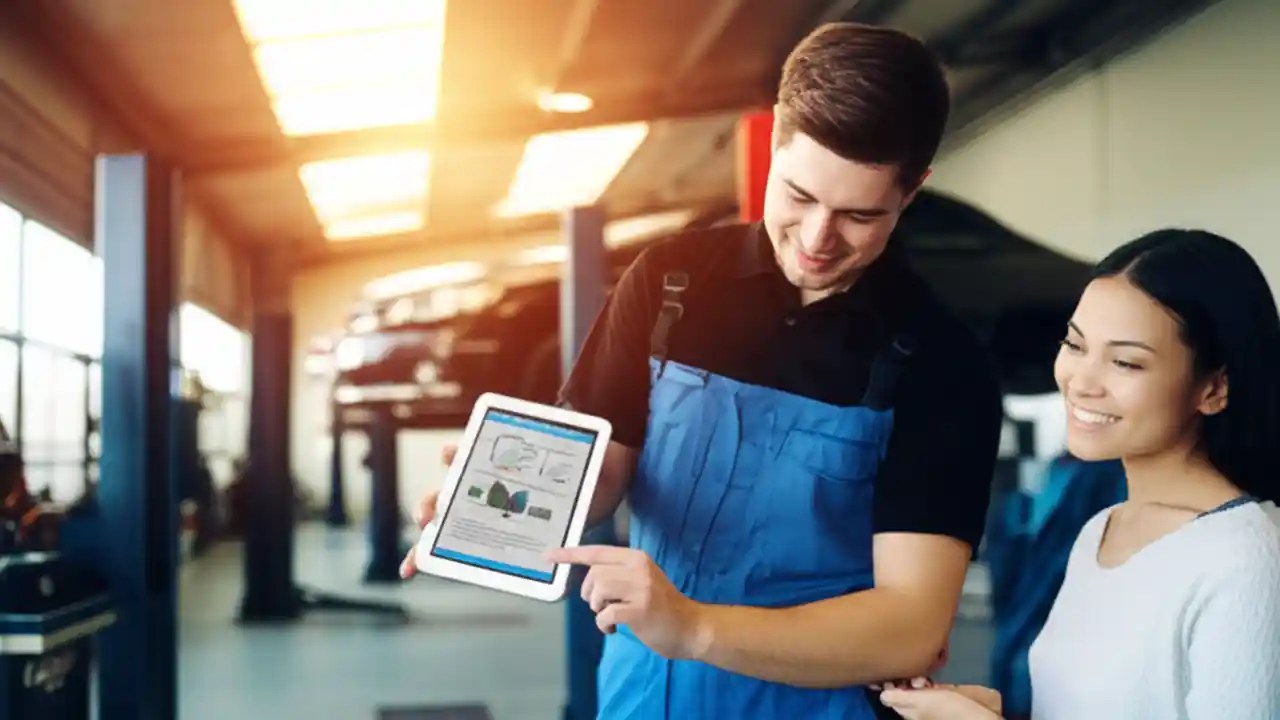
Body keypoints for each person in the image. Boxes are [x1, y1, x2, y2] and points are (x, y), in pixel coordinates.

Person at [402, 22, 1005, 719]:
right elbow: (603, 467)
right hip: (642, 695)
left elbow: (910, 625)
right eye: (800, 197)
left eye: (859, 216)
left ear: (913, 190)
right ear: (776, 136)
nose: (817, 240)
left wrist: (694, 627)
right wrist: (496, 501)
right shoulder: (668, 283)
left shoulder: (941, 362)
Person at [879, 229, 1280, 720]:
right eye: (1075, 344)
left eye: (1126, 362)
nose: (1082, 381)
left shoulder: (1247, 558)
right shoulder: (1100, 530)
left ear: (1214, 388)